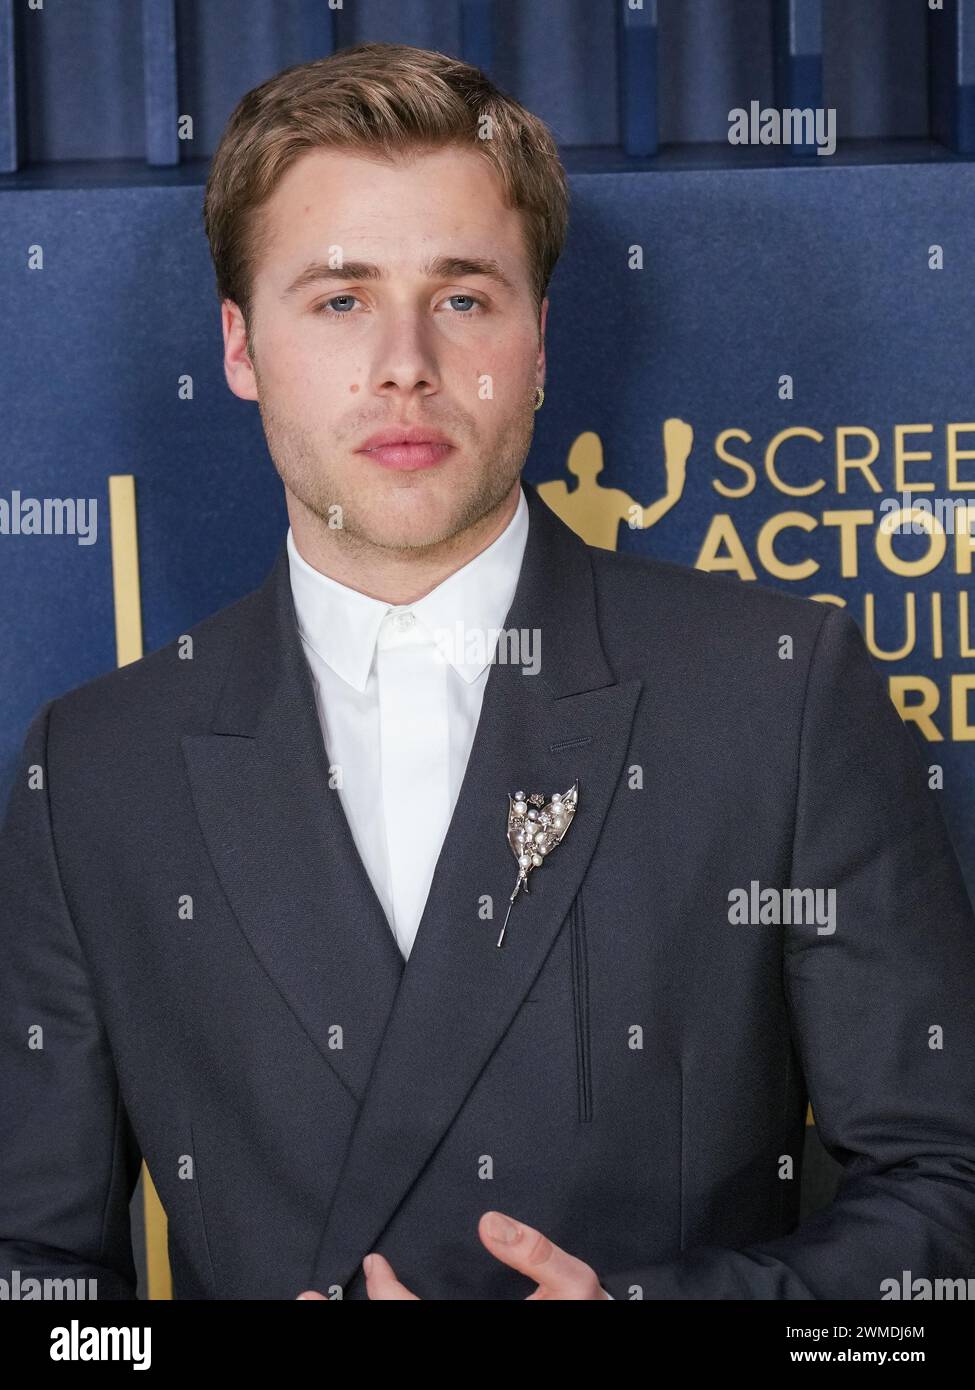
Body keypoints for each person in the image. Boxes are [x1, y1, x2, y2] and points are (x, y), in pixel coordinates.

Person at [2, 41, 974, 1302]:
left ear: (540, 339)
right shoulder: (93, 771)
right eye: (339, 299)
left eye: (462, 296)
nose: (406, 361)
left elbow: (949, 1208)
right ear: (240, 347)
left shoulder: (778, 695)